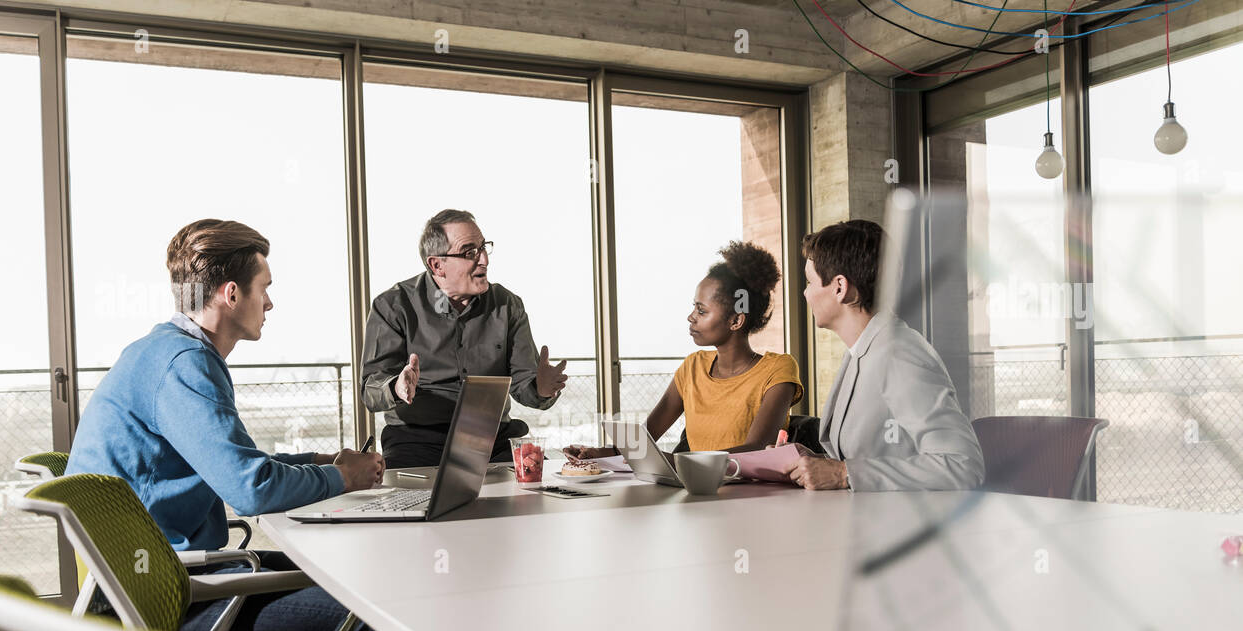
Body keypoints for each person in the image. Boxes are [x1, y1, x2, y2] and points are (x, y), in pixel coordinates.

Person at [67, 218, 386, 631]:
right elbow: (250, 489)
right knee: (374, 613)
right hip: (165, 594)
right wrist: (345, 478)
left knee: (348, 577)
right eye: (264, 287)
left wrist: (321, 463)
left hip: (160, 575)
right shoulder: (184, 364)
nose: (270, 303)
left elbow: (236, 464)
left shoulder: (164, 350)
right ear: (231, 294)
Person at [781, 219, 984, 491]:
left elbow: (962, 465)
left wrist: (844, 473)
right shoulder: (861, 352)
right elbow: (872, 458)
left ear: (840, 287)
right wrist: (815, 463)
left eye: (809, 282)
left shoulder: (899, 355)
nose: (805, 293)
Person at [361, 209, 568, 468]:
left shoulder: (506, 305)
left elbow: (524, 385)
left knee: (541, 487)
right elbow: (370, 390)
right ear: (436, 265)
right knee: (413, 504)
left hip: (493, 441)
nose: (483, 260)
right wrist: (396, 387)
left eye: (483, 248)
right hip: (416, 443)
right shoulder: (393, 306)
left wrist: (541, 388)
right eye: (470, 252)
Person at [565, 241, 802, 460]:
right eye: (694, 308)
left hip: (752, 496)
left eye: (701, 311)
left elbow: (758, 449)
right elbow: (645, 440)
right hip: (698, 491)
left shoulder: (778, 369)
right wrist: (599, 453)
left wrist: (675, 461)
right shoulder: (693, 366)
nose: (691, 317)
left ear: (736, 321)